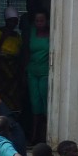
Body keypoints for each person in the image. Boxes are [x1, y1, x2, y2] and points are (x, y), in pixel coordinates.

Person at [0, 6, 25, 115]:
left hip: (14, 68)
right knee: (0, 91)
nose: (13, 24)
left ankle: (12, 115)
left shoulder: (17, 36)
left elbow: (19, 52)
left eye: (15, 21)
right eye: (11, 21)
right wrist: (4, 36)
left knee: (13, 94)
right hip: (0, 68)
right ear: (6, 20)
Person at [26, 8, 51, 144]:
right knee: (35, 104)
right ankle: (34, 135)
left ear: (46, 21)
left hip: (45, 72)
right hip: (32, 72)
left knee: (45, 104)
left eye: (41, 20)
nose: (39, 23)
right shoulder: (32, 32)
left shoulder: (51, 33)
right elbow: (27, 51)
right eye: (37, 21)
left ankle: (45, 135)